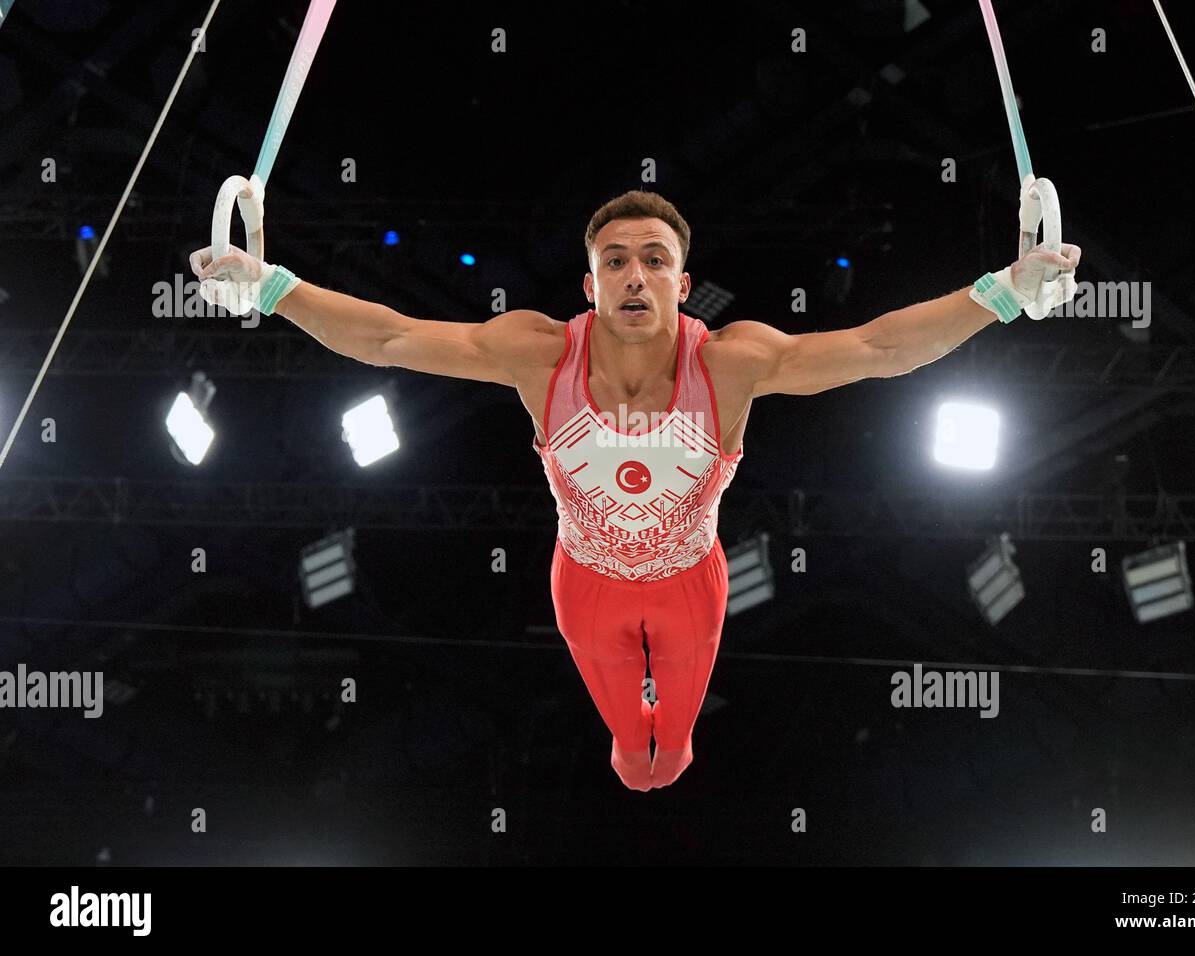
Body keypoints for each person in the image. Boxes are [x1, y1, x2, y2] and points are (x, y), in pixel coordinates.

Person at [190, 189, 1081, 791]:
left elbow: (883, 348)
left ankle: (673, 732)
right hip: (584, 586)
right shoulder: (539, 353)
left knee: (675, 749)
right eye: (615, 261)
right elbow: (388, 340)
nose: (634, 275)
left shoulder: (731, 363)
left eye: (653, 260)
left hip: (692, 584)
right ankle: (632, 735)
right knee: (630, 755)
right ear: (589, 284)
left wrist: (1004, 294)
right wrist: (271, 288)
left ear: (682, 285)